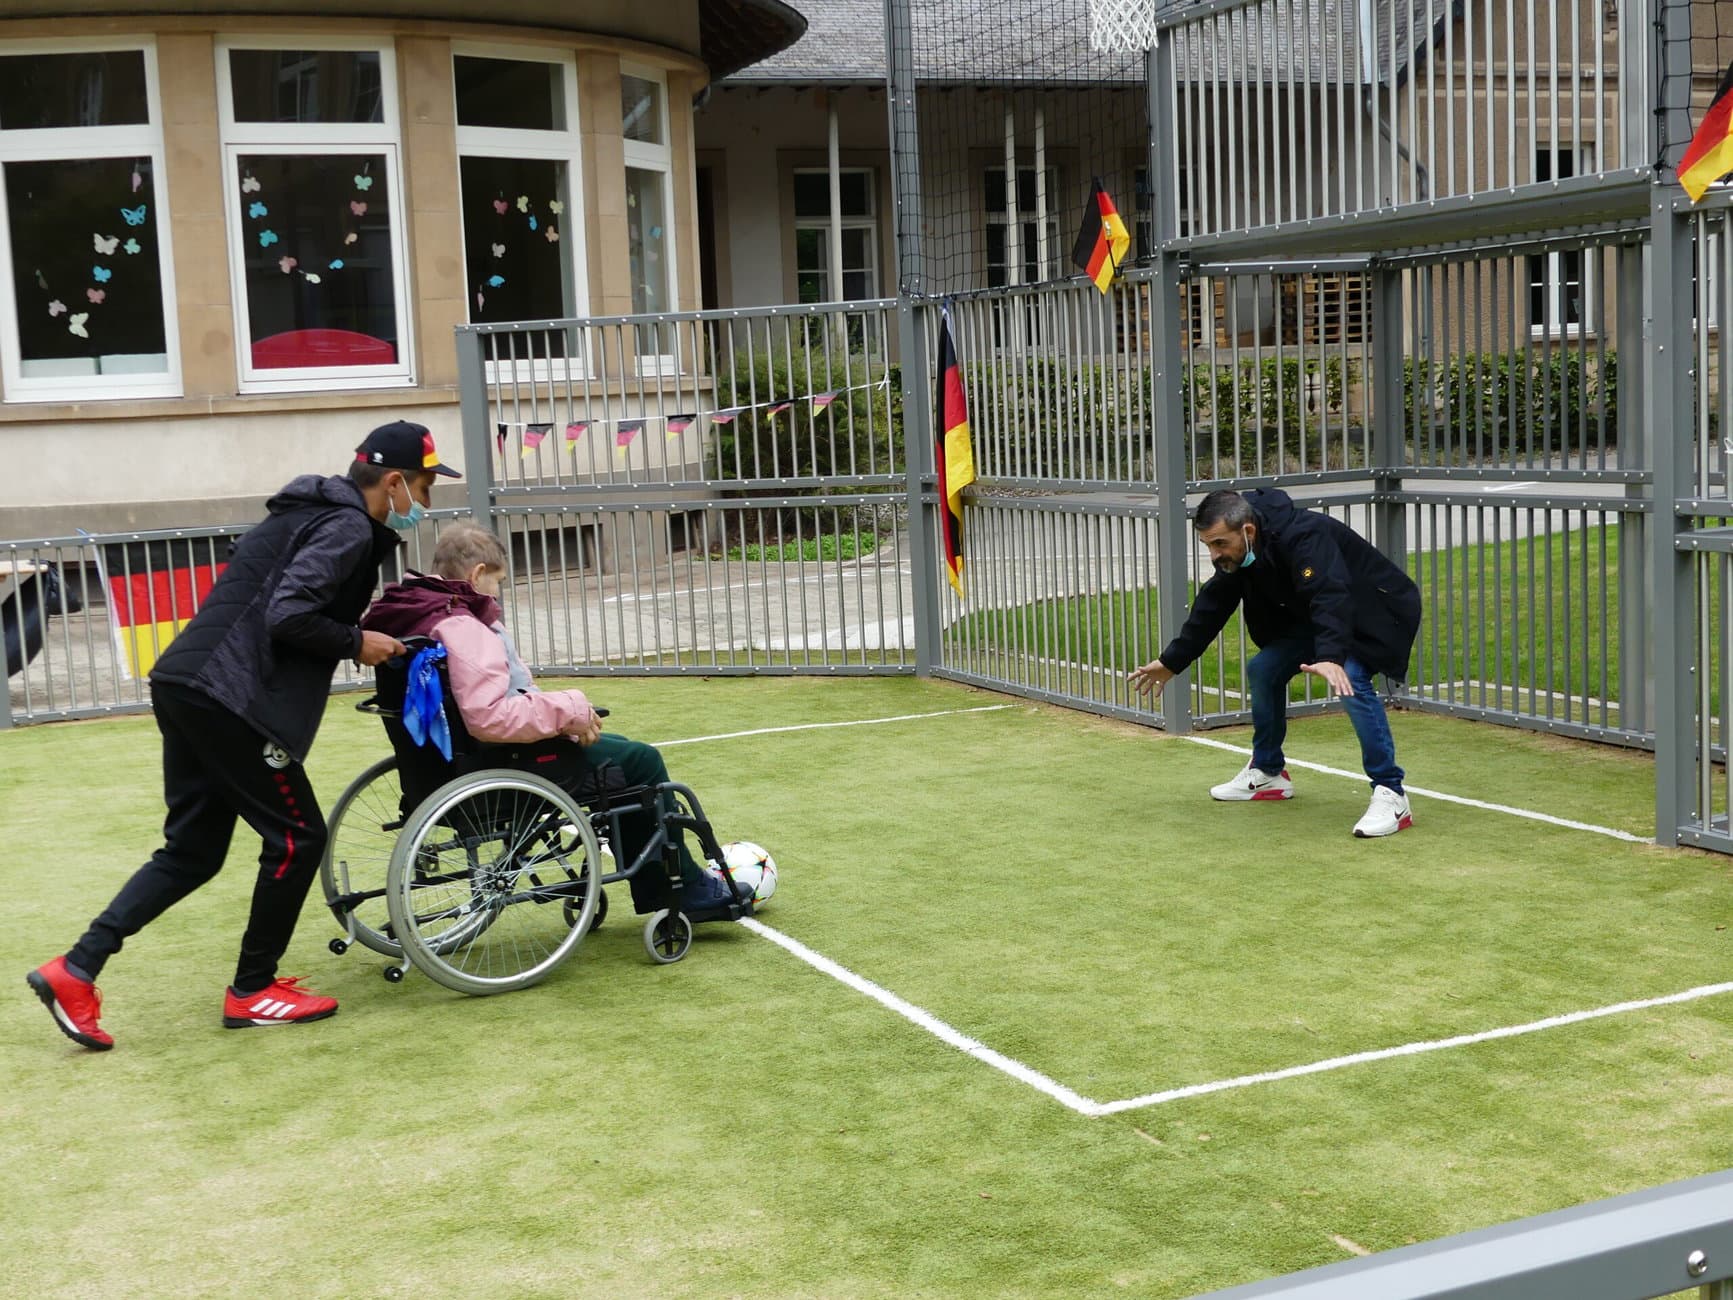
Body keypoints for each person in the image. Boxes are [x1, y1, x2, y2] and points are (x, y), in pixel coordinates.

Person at [27, 420, 460, 1050]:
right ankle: (253, 989)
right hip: (229, 696)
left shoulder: (305, 511)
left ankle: (75, 969)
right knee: (297, 836)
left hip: (184, 681)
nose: (424, 502)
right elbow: (289, 613)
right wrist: (355, 642)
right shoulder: (343, 526)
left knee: (193, 852)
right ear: (394, 481)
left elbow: (273, 599)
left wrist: (358, 631)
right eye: (423, 487)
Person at [358, 522, 743, 918]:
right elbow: (489, 718)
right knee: (641, 762)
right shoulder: (463, 628)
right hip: (498, 766)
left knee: (619, 750)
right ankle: (677, 888)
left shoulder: (413, 614)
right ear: (476, 575)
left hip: (440, 770)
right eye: (498, 581)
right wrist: (569, 709)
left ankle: (659, 878)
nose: (497, 593)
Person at [1129, 487, 1422, 838]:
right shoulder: (1242, 554)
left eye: (1219, 543)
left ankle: (1392, 793)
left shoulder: (1304, 536)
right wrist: (1171, 662)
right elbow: (1212, 605)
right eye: (1208, 545)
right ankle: (1268, 773)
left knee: (1352, 678)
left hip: (1373, 613)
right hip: (1320, 619)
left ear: (1247, 531)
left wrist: (1330, 657)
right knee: (1263, 669)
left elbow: (1330, 594)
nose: (1213, 554)